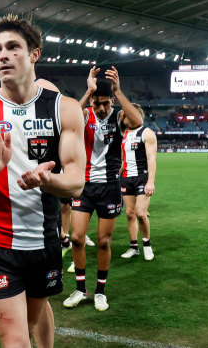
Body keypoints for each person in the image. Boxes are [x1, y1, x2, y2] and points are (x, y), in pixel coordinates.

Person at [0, 13, 85, 347]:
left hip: (44, 244)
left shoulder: (63, 109)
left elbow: (76, 183)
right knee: (16, 340)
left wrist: (47, 180)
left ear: (34, 54)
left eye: (12, 47)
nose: (2, 55)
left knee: (35, 319)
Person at [63, 66, 143, 312]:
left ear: (111, 101)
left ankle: (100, 291)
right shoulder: (85, 114)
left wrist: (118, 93)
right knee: (76, 238)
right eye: (97, 103)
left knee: (104, 242)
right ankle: (80, 288)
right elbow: (66, 117)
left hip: (109, 187)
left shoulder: (118, 118)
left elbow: (138, 121)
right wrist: (88, 93)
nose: (100, 108)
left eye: (105, 103)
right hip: (84, 185)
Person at [120, 104, 157, 261]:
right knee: (130, 214)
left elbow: (151, 158)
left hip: (142, 177)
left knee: (141, 214)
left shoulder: (147, 133)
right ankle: (134, 247)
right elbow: (122, 158)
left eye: (125, 115)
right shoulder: (124, 133)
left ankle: (147, 245)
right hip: (126, 178)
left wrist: (151, 181)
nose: (122, 118)